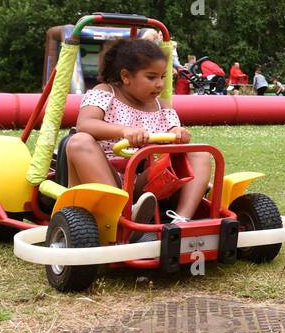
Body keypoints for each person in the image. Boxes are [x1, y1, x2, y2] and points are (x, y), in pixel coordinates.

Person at [68, 38, 211, 231]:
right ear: (126, 77)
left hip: (145, 178)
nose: (159, 84)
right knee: (79, 141)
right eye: (151, 77)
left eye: (162, 77)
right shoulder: (105, 93)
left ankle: (181, 220)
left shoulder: (162, 107)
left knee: (199, 153)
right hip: (108, 174)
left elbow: (172, 134)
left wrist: (178, 133)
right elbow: (85, 123)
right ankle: (119, 215)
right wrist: (124, 131)